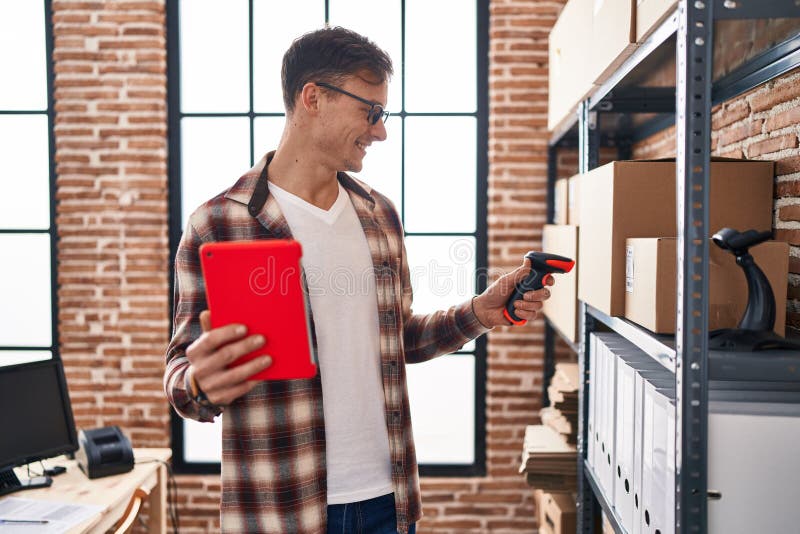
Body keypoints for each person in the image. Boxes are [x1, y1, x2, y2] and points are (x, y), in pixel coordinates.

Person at [164, 26, 553, 534]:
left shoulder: (379, 215)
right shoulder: (218, 224)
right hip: (280, 507)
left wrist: (479, 313)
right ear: (313, 99)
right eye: (371, 112)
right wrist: (198, 383)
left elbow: (398, 340)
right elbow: (180, 372)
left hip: (387, 504)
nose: (380, 132)